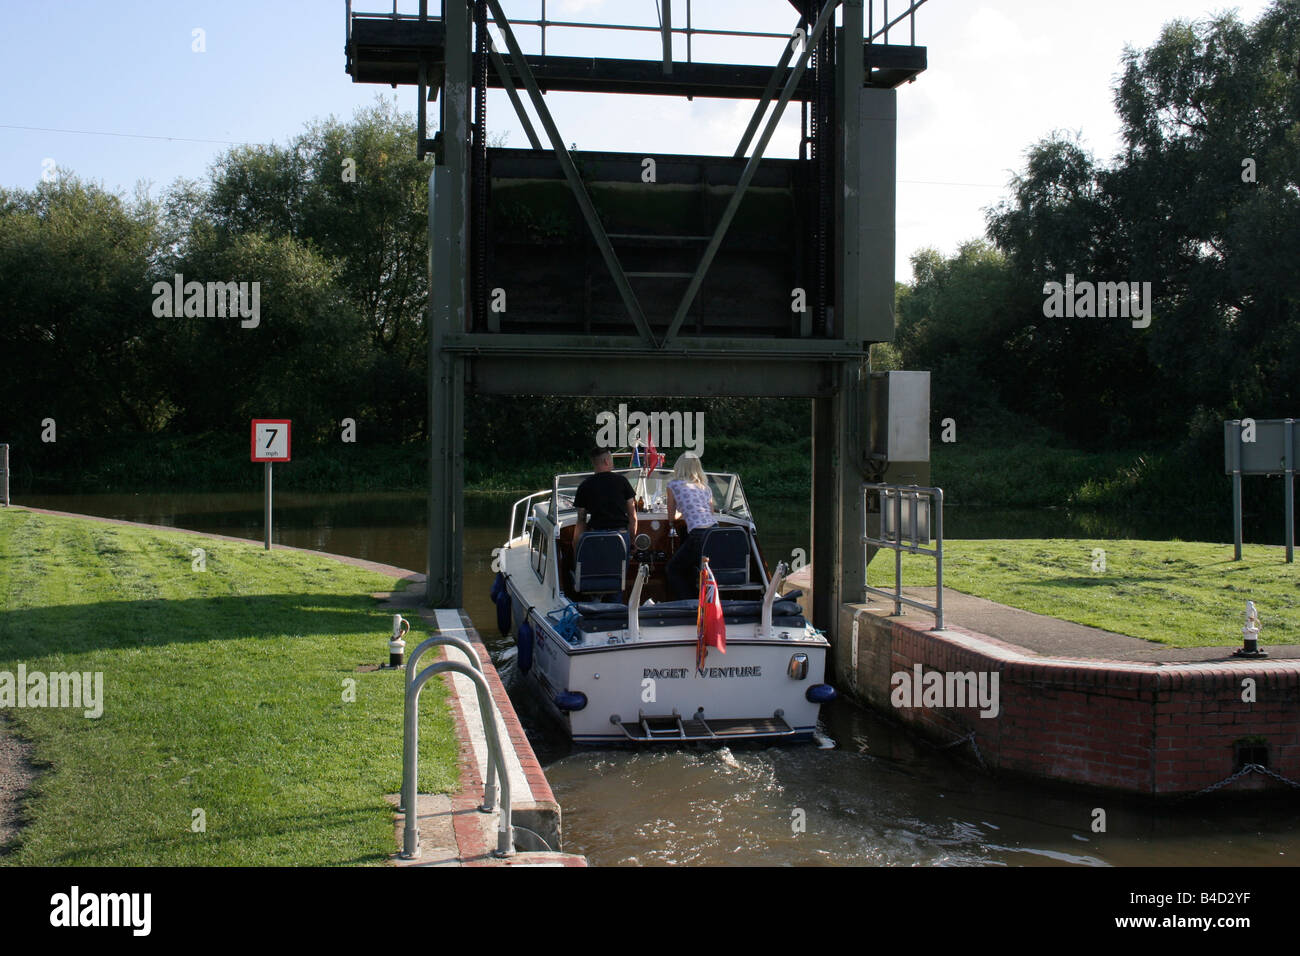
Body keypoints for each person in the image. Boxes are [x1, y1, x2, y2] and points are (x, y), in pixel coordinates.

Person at [665, 451, 718, 600]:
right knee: (694, 568)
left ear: (679, 466)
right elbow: (710, 513)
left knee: (673, 569)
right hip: (715, 532)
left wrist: (682, 513)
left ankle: (688, 603)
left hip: (698, 535)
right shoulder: (705, 488)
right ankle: (701, 600)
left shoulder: (673, 485)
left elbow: (670, 518)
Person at [574, 447, 637, 552]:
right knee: (619, 567)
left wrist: (576, 544)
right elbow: (632, 515)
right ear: (606, 461)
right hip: (620, 536)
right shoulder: (622, 482)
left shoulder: (584, 486)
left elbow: (581, 519)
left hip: (595, 537)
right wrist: (632, 539)